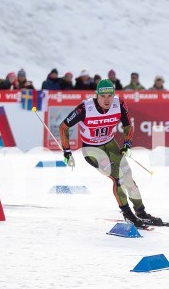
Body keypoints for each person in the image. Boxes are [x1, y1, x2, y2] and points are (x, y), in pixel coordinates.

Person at [59, 79, 163, 227]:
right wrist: (67, 151)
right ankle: (128, 215)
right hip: (92, 149)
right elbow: (63, 127)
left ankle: (141, 212)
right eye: (103, 96)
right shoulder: (85, 108)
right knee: (118, 178)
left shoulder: (118, 104)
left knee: (128, 176)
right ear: (96, 96)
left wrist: (127, 143)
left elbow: (127, 126)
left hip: (110, 144)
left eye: (110, 95)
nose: (107, 99)